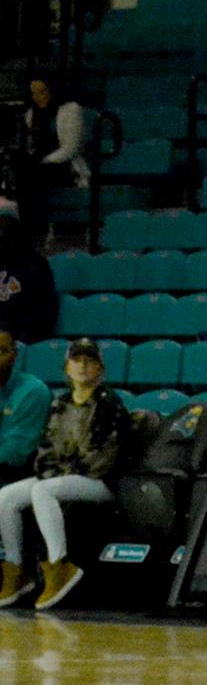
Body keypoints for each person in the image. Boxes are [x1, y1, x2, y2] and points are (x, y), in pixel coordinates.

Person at [0, 338, 129, 611]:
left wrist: (59, 472)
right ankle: (15, 568)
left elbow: (102, 458)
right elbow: (46, 448)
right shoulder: (60, 403)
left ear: (100, 368)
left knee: (43, 490)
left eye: (89, 361)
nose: (82, 366)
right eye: (76, 360)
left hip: (100, 481)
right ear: (67, 367)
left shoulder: (108, 403)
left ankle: (59, 565)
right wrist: (51, 470)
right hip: (62, 476)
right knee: (6, 496)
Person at [18, 73, 89, 233]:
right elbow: (30, 146)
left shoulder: (71, 110)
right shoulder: (31, 114)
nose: (38, 97)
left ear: (52, 90)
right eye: (34, 93)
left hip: (64, 165)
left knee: (35, 173)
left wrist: (44, 161)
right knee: (24, 170)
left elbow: (70, 149)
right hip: (38, 165)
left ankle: (40, 226)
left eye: (42, 91)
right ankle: (31, 227)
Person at [0, 328, 53, 487]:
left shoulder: (33, 391)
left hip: (17, 475)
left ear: (14, 354)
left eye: (1, 351)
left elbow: (16, 453)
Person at [0, 202, 56, 344]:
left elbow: (44, 314)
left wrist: (16, 339)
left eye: (4, 229)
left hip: (20, 344)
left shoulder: (35, 265)